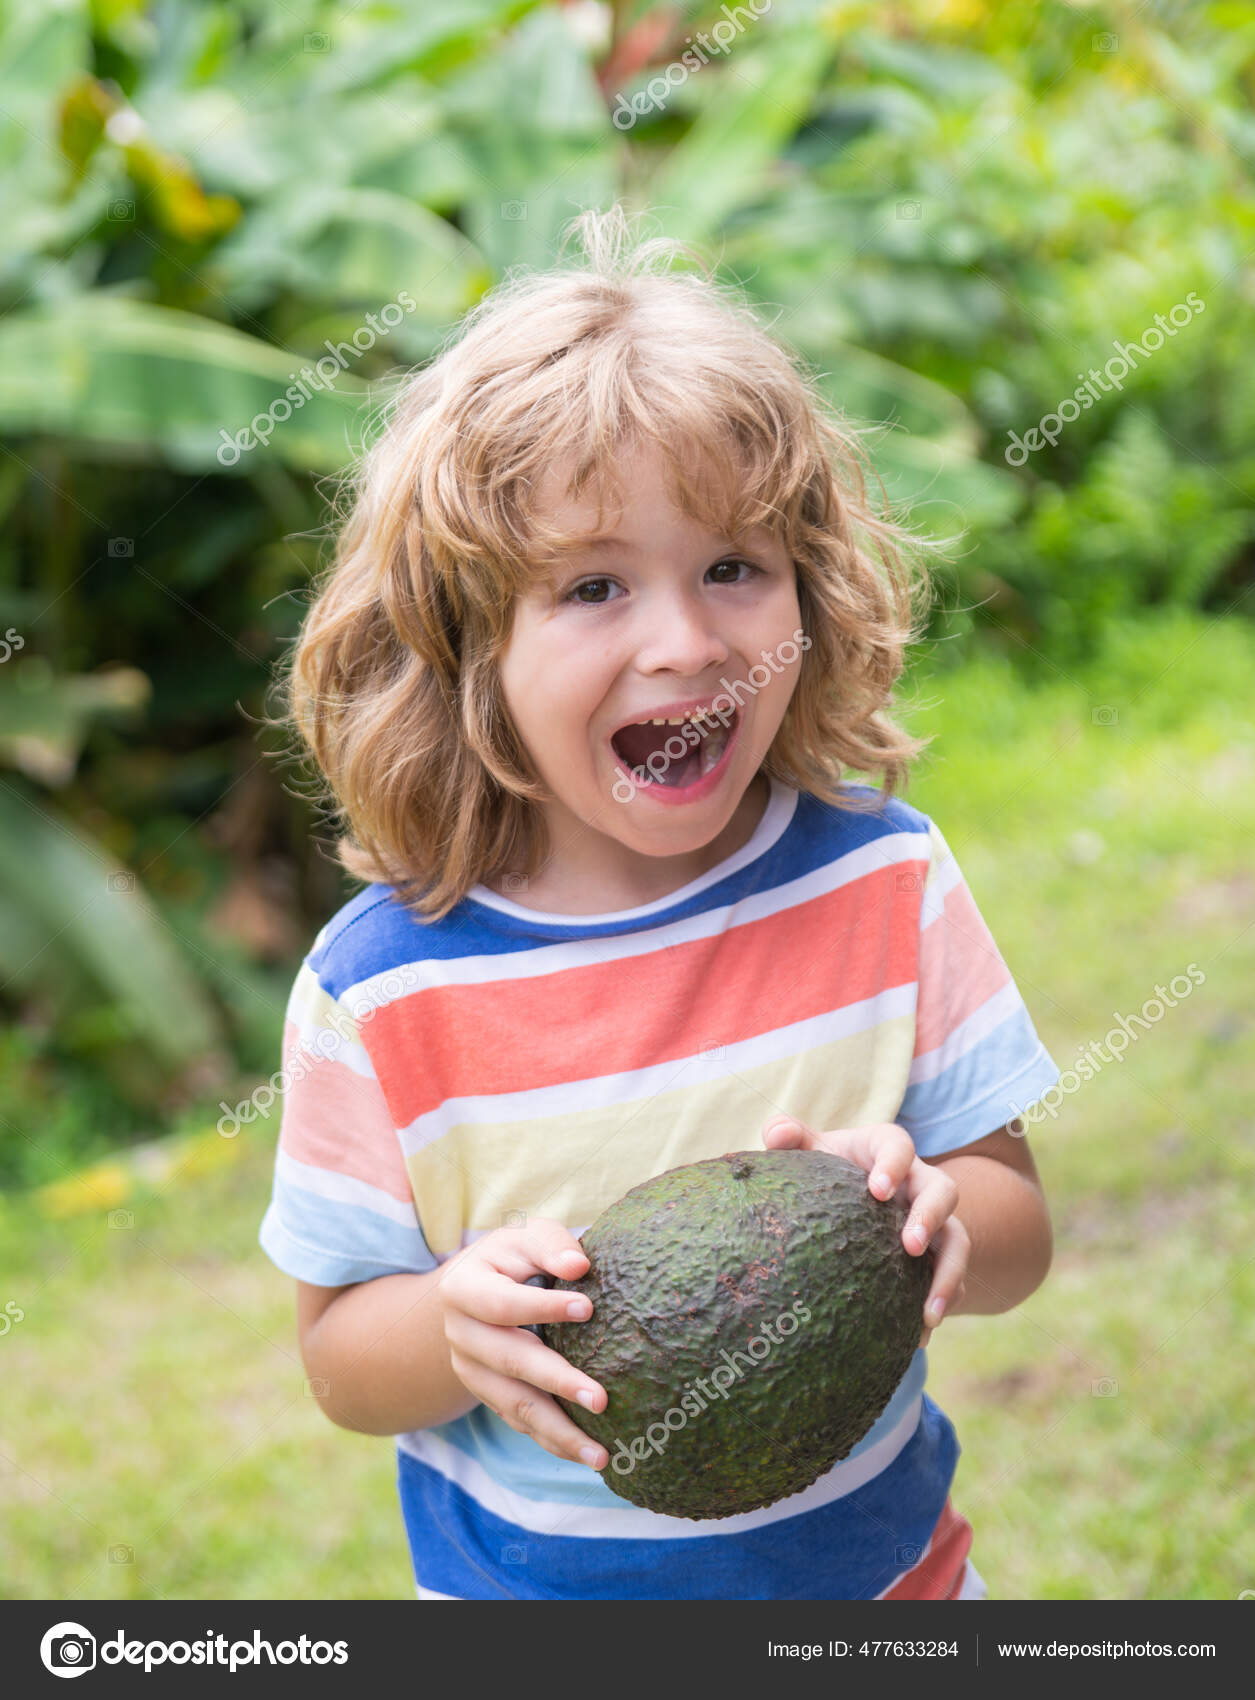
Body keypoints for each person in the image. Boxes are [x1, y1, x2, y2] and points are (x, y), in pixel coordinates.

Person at [258, 204, 1058, 1601]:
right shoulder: (384, 988)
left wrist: (939, 1215)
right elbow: (341, 1361)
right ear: (467, 650)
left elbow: (1016, 1231)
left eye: (734, 569)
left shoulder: (885, 882)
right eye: (593, 587)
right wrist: (454, 1326)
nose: (685, 642)